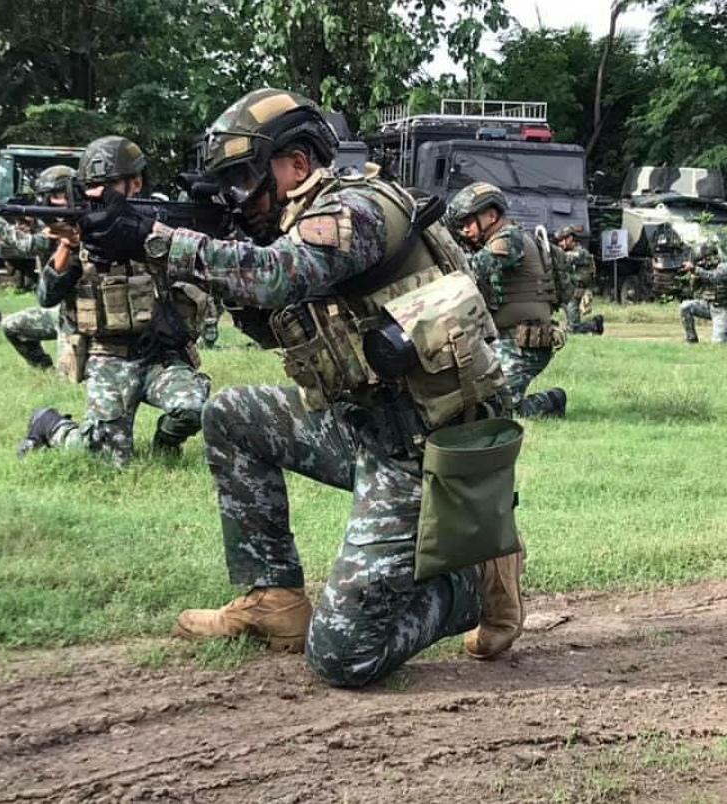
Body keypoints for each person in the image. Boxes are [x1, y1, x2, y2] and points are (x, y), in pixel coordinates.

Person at [77, 88, 527, 688]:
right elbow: (278, 322)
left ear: (293, 163)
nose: (238, 196)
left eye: (242, 178)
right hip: (363, 426)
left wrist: (157, 239)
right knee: (231, 415)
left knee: (343, 658)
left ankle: (468, 584)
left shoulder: (355, 210)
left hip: (424, 455)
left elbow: (278, 276)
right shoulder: (295, 223)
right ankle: (274, 600)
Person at [15, 135, 211, 465]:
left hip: (158, 354)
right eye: (91, 185)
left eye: (107, 184)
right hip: (109, 358)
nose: (97, 193)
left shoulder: (157, 225)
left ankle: (165, 446)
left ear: (135, 183)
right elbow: (47, 297)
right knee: (104, 458)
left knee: (194, 408)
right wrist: (70, 246)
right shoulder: (83, 228)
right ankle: (50, 424)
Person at [446, 182, 568, 418]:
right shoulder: (500, 238)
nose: (464, 230)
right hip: (502, 342)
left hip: (523, 345)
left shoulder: (510, 239)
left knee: (498, 412)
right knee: (471, 404)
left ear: (491, 215)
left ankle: (552, 400)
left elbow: (472, 269)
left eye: (468, 222)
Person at [0, 166, 79, 371]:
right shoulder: (53, 228)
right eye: (49, 197)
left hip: (85, 316)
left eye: (59, 195)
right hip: (63, 311)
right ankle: (43, 370)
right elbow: (30, 244)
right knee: (12, 326)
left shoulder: (95, 226)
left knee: (69, 379)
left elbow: (29, 244)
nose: (54, 202)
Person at [678, 243, 727, 343]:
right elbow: (694, 289)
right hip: (709, 306)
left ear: (713, 257)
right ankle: (691, 339)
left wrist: (695, 269)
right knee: (685, 306)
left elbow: (714, 277)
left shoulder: (725, 267)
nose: (704, 262)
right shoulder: (706, 269)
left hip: (723, 309)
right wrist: (694, 277)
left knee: (717, 342)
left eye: (706, 259)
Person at [555, 225, 603, 336]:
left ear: (570, 239)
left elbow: (566, 257)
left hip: (575, 293)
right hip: (569, 293)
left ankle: (594, 325)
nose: (560, 243)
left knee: (573, 328)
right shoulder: (572, 252)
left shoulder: (580, 253)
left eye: (562, 240)